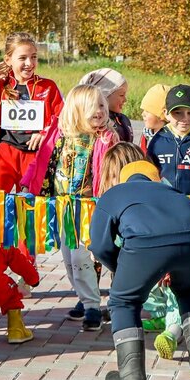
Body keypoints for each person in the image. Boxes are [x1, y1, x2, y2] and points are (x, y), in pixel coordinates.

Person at [90, 143, 190, 380]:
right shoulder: (174, 193)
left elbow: (99, 246)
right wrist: (183, 263)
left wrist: (127, 271)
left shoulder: (114, 194)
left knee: (123, 301)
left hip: (143, 244)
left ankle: (131, 378)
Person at [37, 84, 118, 330]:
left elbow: (111, 171)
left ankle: (92, 306)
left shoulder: (105, 138)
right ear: (76, 110)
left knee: (81, 256)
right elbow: (43, 163)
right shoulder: (61, 135)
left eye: (102, 105)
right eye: (93, 107)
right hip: (63, 205)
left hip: (89, 207)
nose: (100, 111)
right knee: (68, 257)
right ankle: (84, 297)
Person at [0, 32, 64, 193]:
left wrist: (44, 134)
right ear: (8, 60)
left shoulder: (48, 87)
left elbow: (65, 119)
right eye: (22, 58)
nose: (29, 63)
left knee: (32, 205)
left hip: (35, 157)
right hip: (4, 155)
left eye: (34, 57)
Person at [79, 67, 132, 143]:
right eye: (121, 95)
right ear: (104, 95)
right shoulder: (95, 123)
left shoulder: (121, 120)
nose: (125, 100)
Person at [138, 84, 170, 154]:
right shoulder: (146, 134)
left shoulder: (170, 139)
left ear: (162, 115)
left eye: (147, 111)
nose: (143, 114)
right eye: (143, 110)